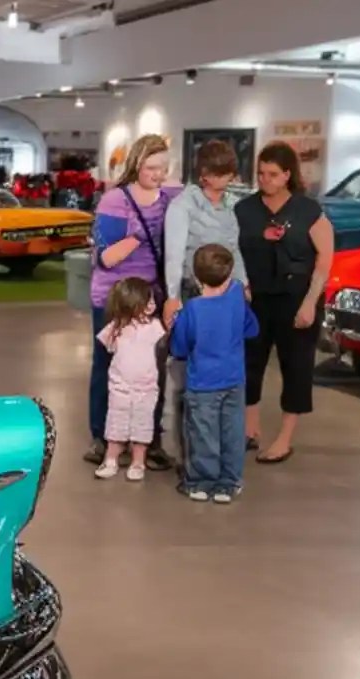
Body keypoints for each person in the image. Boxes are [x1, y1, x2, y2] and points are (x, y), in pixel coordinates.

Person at [236, 142, 335, 463]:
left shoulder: (309, 211)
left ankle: (285, 438)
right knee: (250, 364)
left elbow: (324, 259)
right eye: (261, 173)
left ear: (288, 175)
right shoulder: (245, 210)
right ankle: (250, 430)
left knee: (296, 368)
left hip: (296, 300)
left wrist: (310, 302)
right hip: (256, 299)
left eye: (273, 174)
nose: (265, 180)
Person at [85, 133, 179, 471]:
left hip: (151, 296)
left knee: (152, 370)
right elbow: (107, 257)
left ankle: (148, 438)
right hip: (115, 297)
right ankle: (103, 437)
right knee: (108, 366)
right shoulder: (115, 201)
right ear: (137, 163)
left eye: (164, 167)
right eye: (152, 167)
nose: (159, 174)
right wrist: (139, 235)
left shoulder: (170, 198)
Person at [161, 139, 248, 477]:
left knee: (219, 378)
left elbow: (234, 249)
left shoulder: (228, 206)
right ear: (205, 175)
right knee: (186, 379)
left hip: (226, 297)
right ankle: (184, 453)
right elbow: (174, 253)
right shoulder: (183, 206)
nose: (228, 180)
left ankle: (217, 457)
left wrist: (243, 285)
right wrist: (172, 297)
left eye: (230, 174)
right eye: (222, 175)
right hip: (191, 293)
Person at [168, 244, 259, 503]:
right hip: (234, 380)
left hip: (202, 384)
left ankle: (200, 482)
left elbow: (180, 348)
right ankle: (228, 483)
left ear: (196, 279)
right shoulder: (236, 300)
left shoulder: (192, 310)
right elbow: (252, 329)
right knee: (232, 432)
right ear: (229, 276)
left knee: (203, 433)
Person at [94, 277, 168, 481]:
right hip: (120, 387)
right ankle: (111, 459)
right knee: (116, 423)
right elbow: (107, 347)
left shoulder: (155, 327)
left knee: (142, 426)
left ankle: (138, 462)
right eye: (147, 300)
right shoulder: (115, 328)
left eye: (153, 300)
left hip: (146, 388)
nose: (152, 305)